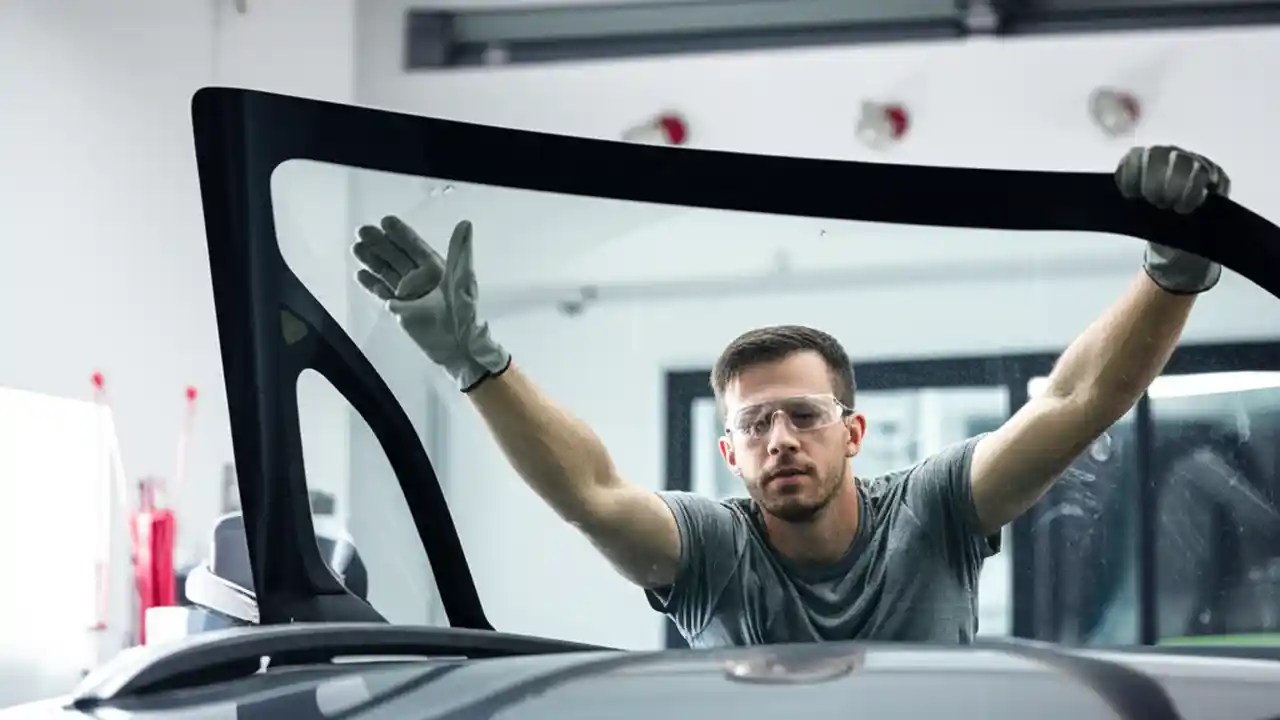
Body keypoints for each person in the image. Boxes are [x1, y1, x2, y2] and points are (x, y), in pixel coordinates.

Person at [350, 145, 1230, 648]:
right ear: (729, 453)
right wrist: (476, 360)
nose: (780, 438)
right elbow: (592, 494)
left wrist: (1172, 271)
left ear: (851, 430)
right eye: (755, 423)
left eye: (804, 415)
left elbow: (1074, 403)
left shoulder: (933, 512)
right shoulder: (709, 551)